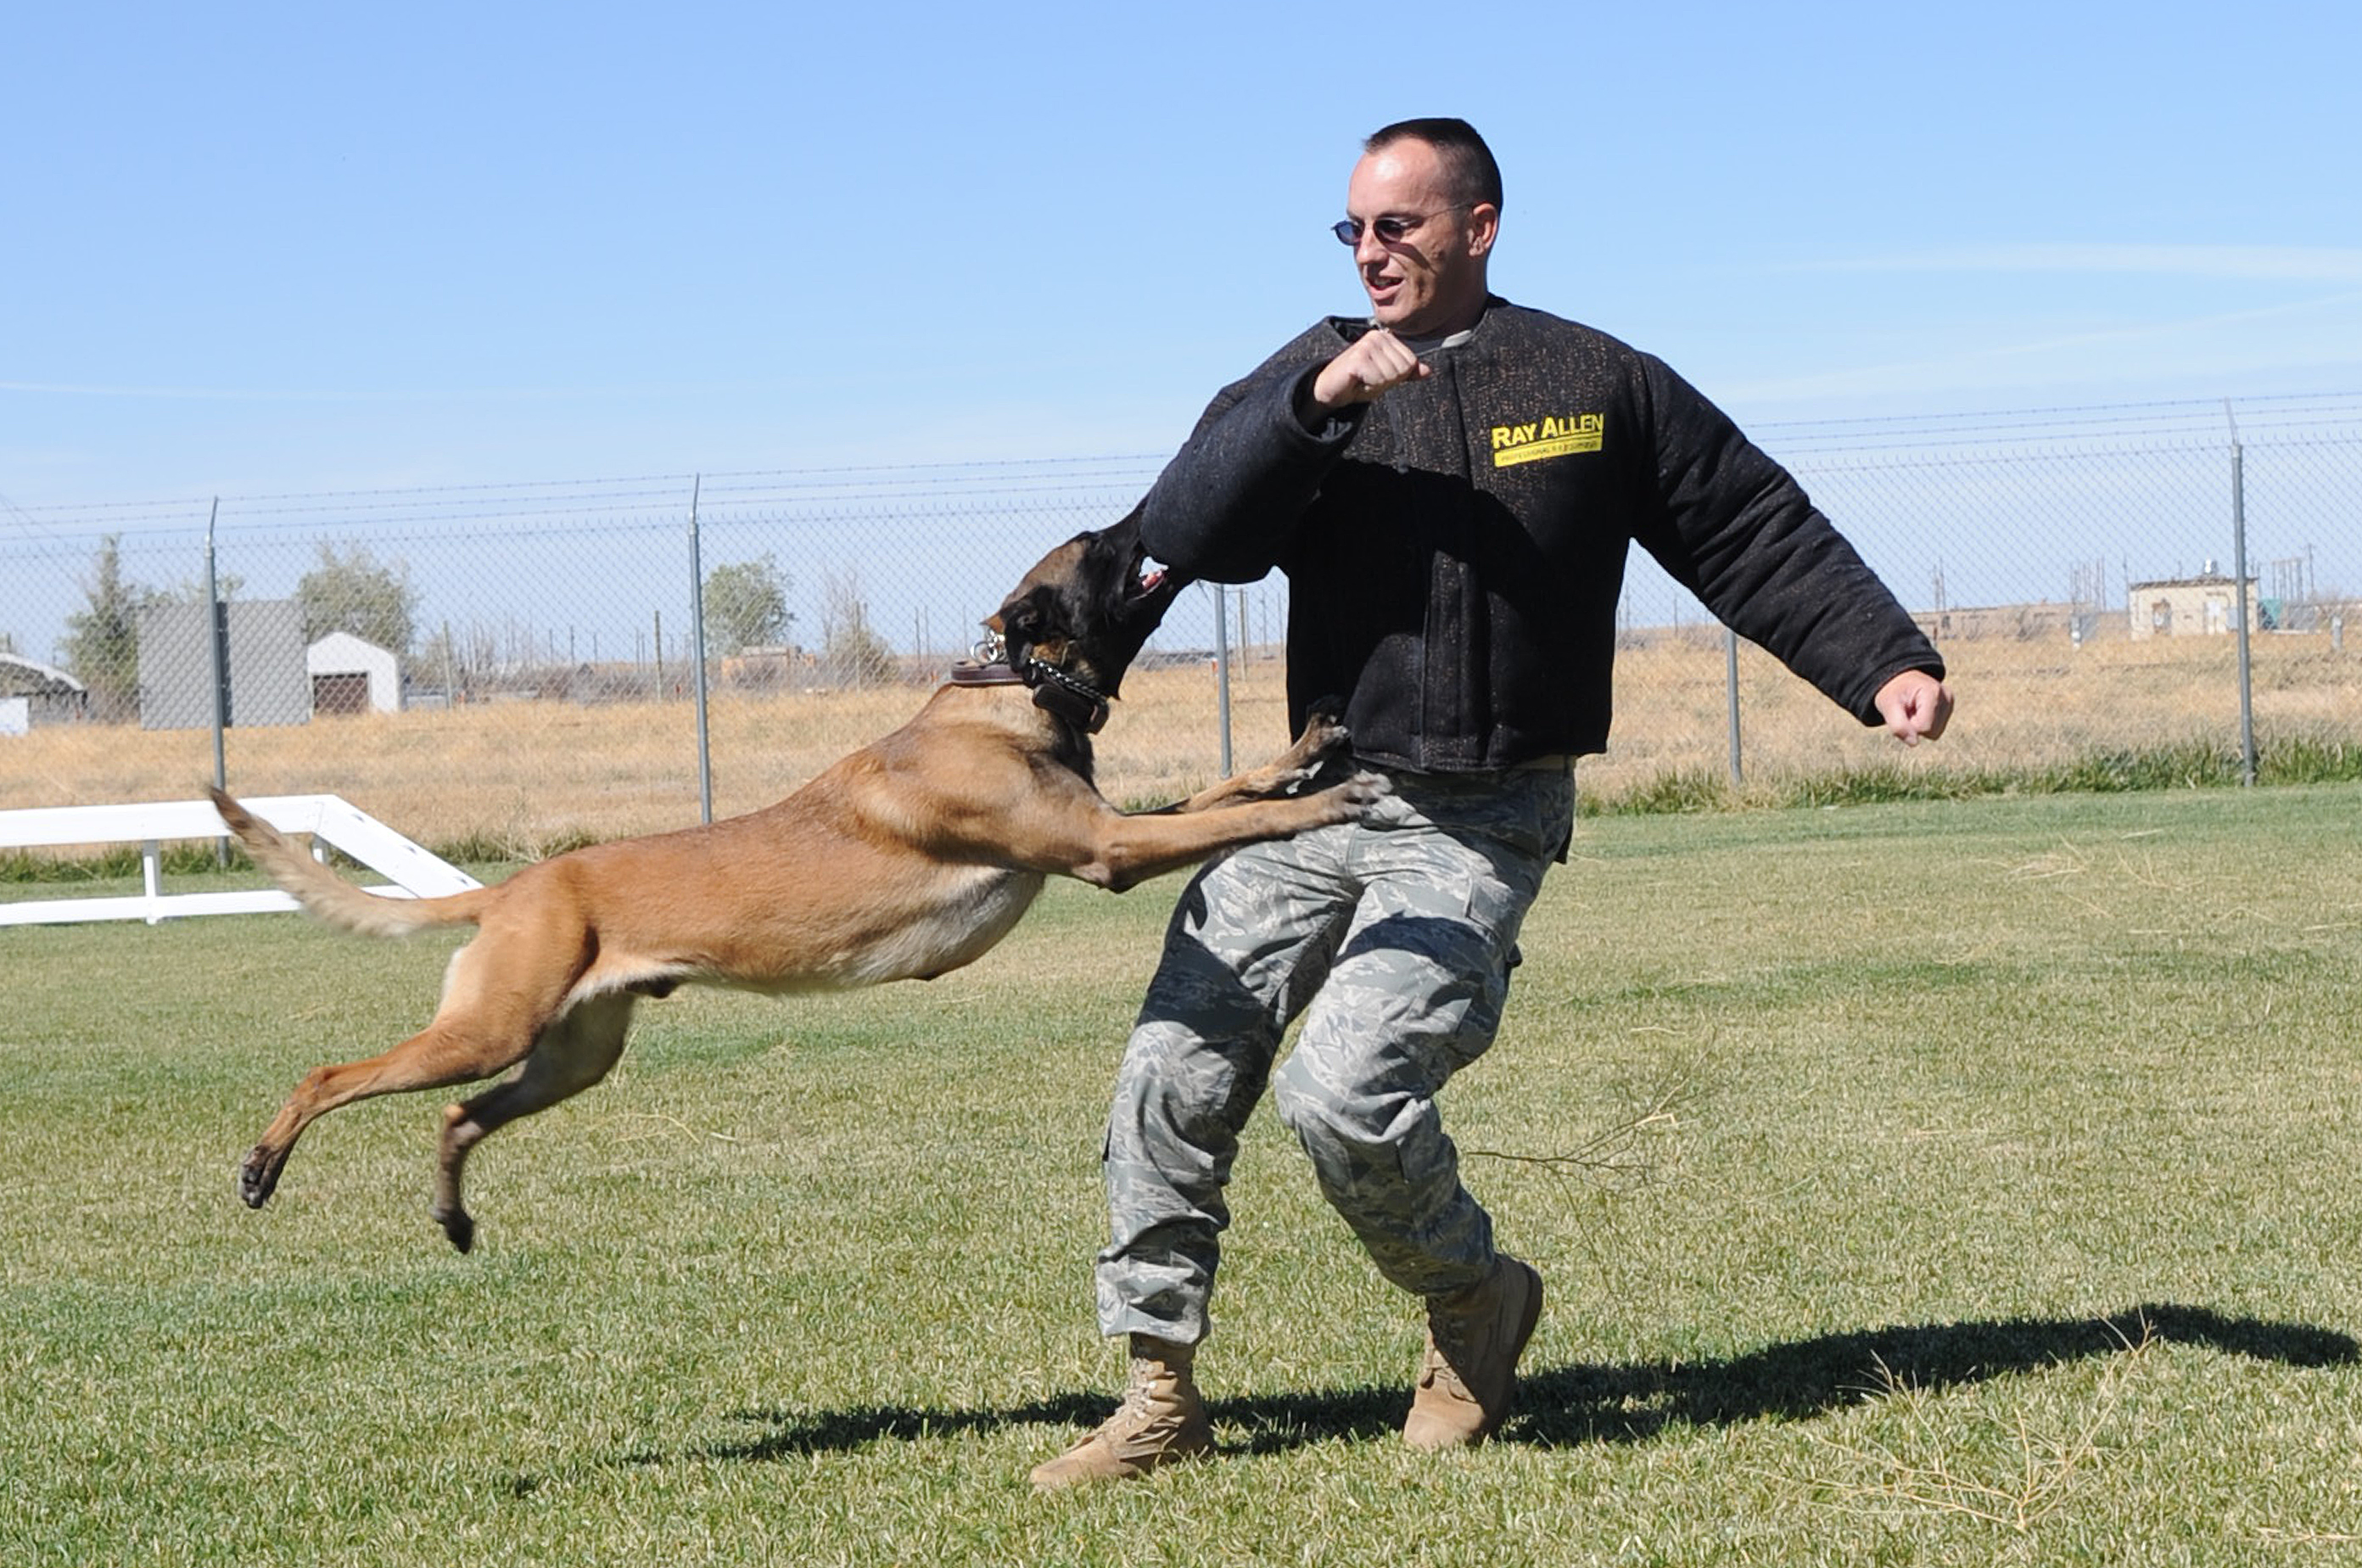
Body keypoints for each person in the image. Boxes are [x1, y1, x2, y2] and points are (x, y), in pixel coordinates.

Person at [1029, 117, 1953, 1489]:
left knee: (1346, 1094)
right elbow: (1186, 528)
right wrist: (1318, 405)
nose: (1371, 251)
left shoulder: (1593, 379)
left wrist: (1878, 659)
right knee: (1170, 1070)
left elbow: (1747, 524)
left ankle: (1473, 1301)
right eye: (1352, 229)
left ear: (1479, 224)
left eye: (1397, 225)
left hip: (1483, 818)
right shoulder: (1312, 372)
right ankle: (1159, 1390)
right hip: (1314, 798)